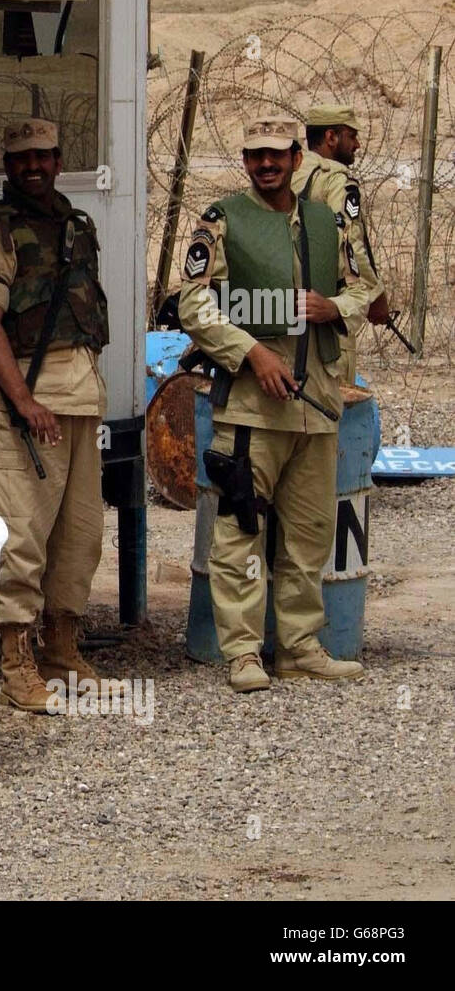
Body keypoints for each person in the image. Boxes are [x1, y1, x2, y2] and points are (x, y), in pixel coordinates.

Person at [177, 116, 371, 693]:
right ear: (246, 161)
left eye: (277, 154)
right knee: (241, 530)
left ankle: (299, 646)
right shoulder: (222, 220)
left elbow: (363, 287)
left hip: (316, 403)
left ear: (295, 158)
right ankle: (241, 651)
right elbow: (195, 305)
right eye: (256, 155)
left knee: (310, 533)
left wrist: (332, 308)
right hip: (251, 408)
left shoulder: (325, 221)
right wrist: (252, 352)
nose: (267, 164)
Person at [0, 118, 122, 713]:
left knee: (79, 536)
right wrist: (24, 401)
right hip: (27, 398)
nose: (33, 166)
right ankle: (14, 659)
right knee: (22, 538)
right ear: (8, 166)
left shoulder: (77, 226)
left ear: (59, 160)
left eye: (43, 156)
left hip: (82, 396)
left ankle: (61, 649)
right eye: (21, 157)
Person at [292, 103, 391, 384]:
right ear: (331, 138)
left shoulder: (290, 171)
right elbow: (350, 245)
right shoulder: (335, 178)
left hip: (285, 308)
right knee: (334, 407)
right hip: (329, 312)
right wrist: (375, 296)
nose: (357, 144)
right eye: (351, 135)